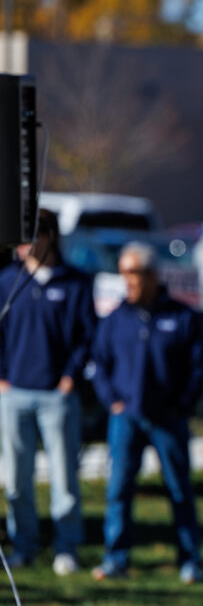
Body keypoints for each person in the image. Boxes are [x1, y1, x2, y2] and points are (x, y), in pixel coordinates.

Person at [87, 241, 203, 584]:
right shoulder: (115, 319)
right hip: (126, 417)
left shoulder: (182, 317)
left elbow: (200, 366)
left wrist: (183, 403)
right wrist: (112, 400)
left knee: (179, 490)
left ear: (154, 275)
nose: (129, 281)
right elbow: (100, 364)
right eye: (124, 273)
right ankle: (116, 560)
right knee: (119, 490)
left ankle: (190, 561)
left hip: (168, 418)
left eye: (135, 273)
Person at [0, 209, 96, 575]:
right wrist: (2, 377)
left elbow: (87, 336)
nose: (25, 245)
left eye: (33, 235)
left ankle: (66, 547)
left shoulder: (75, 283)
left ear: (50, 237)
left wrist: (70, 377)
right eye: (21, 237)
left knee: (64, 476)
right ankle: (23, 546)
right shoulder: (8, 281)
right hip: (14, 394)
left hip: (57, 394)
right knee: (18, 477)